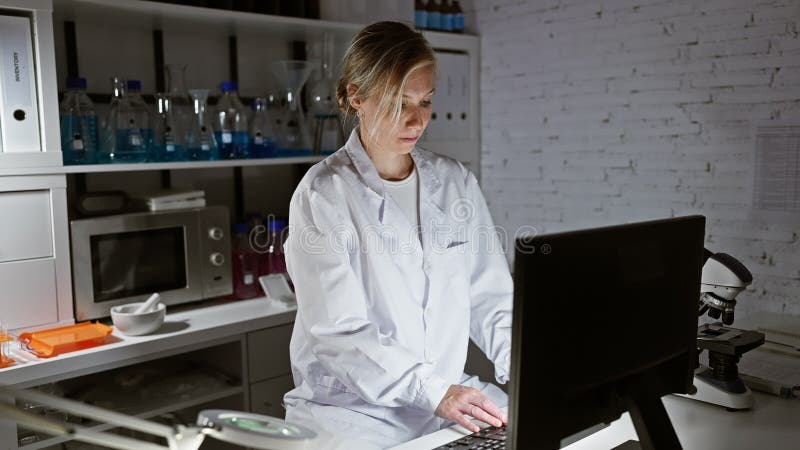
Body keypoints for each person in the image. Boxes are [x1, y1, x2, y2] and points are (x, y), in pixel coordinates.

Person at [283, 21, 513, 448]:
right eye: (399, 102)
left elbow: (491, 298)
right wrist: (433, 392)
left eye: (424, 101)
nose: (416, 119)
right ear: (357, 97)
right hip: (353, 412)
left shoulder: (454, 182)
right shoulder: (323, 194)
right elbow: (340, 333)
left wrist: (527, 366)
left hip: (444, 397)